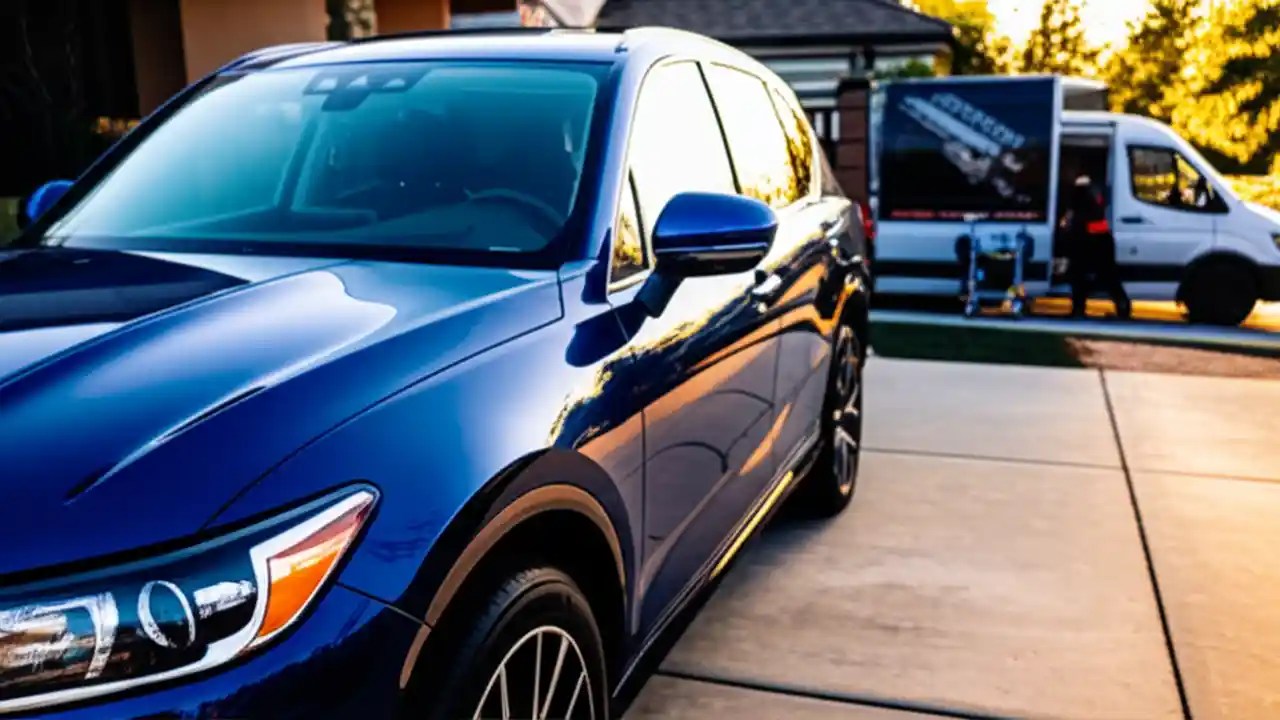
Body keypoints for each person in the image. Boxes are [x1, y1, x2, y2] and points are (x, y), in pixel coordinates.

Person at [1059, 175, 1131, 318]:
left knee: (1080, 278)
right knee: (1107, 277)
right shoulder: (1095, 200)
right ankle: (1122, 307)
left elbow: (1073, 224)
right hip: (1100, 244)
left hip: (1089, 245)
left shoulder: (1080, 202)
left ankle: (1079, 309)